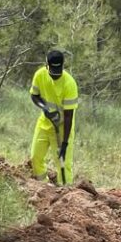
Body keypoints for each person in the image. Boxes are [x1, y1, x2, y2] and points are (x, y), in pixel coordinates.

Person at [29, 48, 79, 186]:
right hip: (44, 123)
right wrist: (44, 108)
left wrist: (64, 144)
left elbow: (69, 116)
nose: (55, 76)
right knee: (35, 157)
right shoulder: (40, 75)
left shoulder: (70, 84)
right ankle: (43, 186)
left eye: (58, 73)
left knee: (63, 163)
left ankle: (66, 192)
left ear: (63, 66)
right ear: (47, 66)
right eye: (52, 73)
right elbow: (34, 95)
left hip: (64, 127)